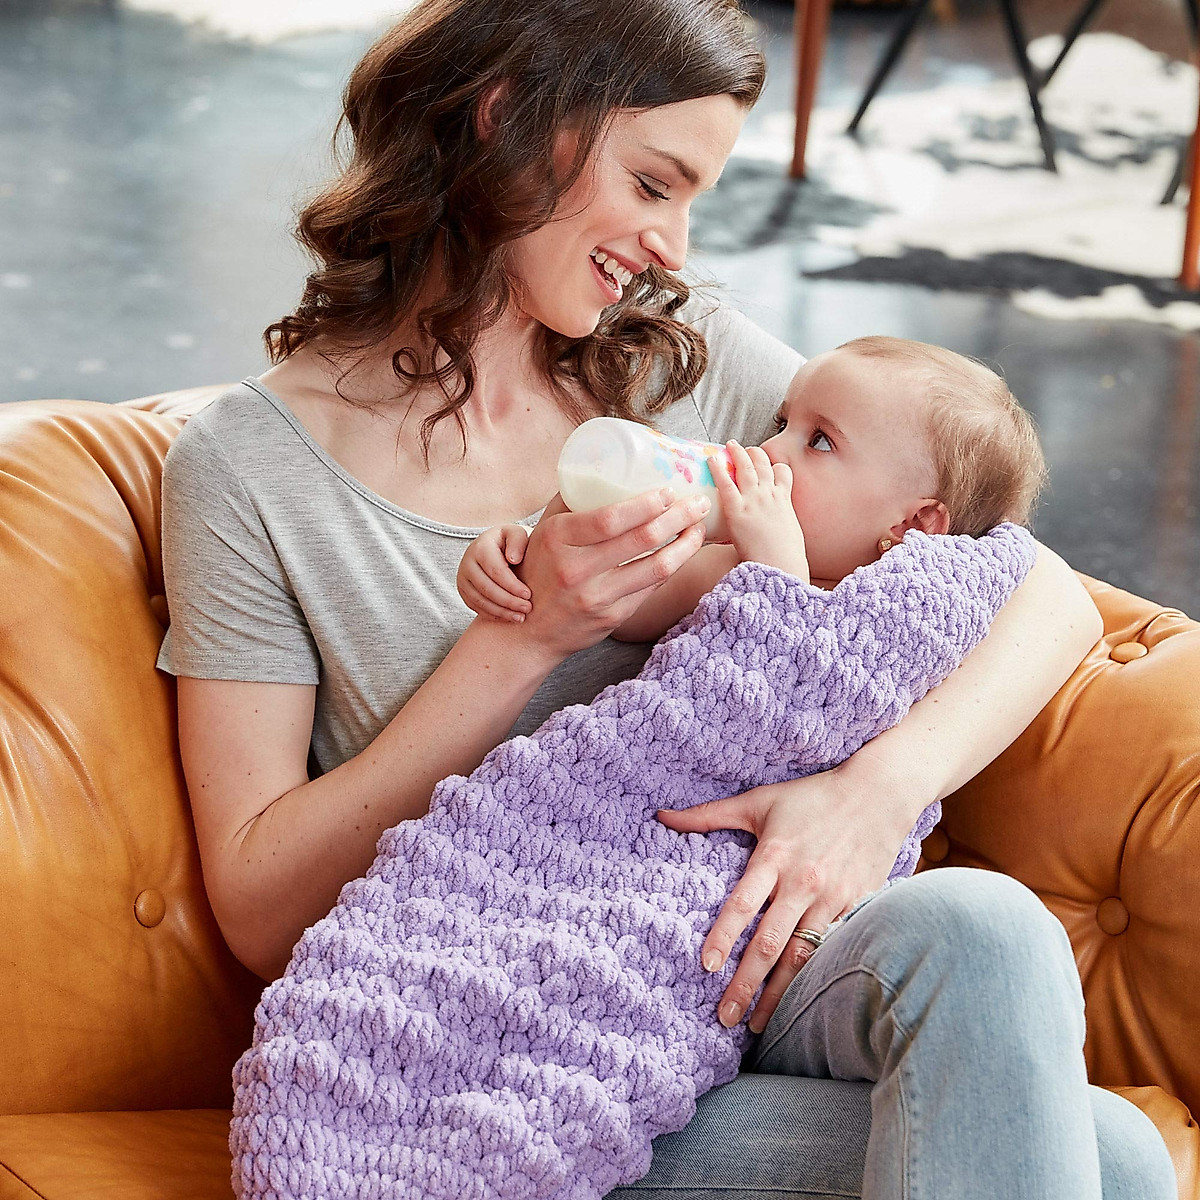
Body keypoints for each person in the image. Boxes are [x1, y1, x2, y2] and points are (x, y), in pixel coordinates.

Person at [154, 0, 1177, 1195]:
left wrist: (875, 789)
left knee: (987, 934)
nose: (674, 245)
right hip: (522, 1053)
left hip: (744, 966)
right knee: (1110, 1163)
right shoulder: (249, 470)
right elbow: (262, 909)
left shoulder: (679, 356)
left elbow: (1032, 582)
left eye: (693, 198)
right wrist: (523, 642)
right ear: (510, 122)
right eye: (654, 184)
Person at [457, 334, 1049, 636]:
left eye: (819, 441)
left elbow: (797, 681)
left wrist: (776, 565)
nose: (767, 451)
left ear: (911, 526)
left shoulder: (909, 618)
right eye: (782, 424)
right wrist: (529, 548)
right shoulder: (726, 561)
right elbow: (626, 611)